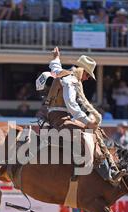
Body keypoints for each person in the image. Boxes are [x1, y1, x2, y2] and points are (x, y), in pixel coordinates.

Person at [43, 47, 121, 182]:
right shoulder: (71, 80)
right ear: (82, 71)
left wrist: (56, 57)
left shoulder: (63, 74)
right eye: (87, 75)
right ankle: (107, 174)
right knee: (91, 135)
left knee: (92, 132)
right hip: (61, 120)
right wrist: (87, 121)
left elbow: (55, 67)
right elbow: (71, 105)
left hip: (56, 117)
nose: (87, 78)